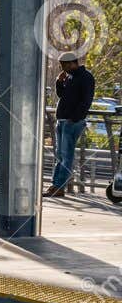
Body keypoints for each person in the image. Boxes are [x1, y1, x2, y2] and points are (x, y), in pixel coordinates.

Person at [47, 51, 95, 198]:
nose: (63, 68)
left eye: (64, 65)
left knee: (66, 156)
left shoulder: (85, 77)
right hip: (62, 120)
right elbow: (62, 95)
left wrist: (74, 118)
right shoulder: (69, 77)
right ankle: (55, 185)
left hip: (71, 122)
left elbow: (86, 100)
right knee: (60, 155)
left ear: (72, 63)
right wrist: (59, 82)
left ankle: (59, 186)